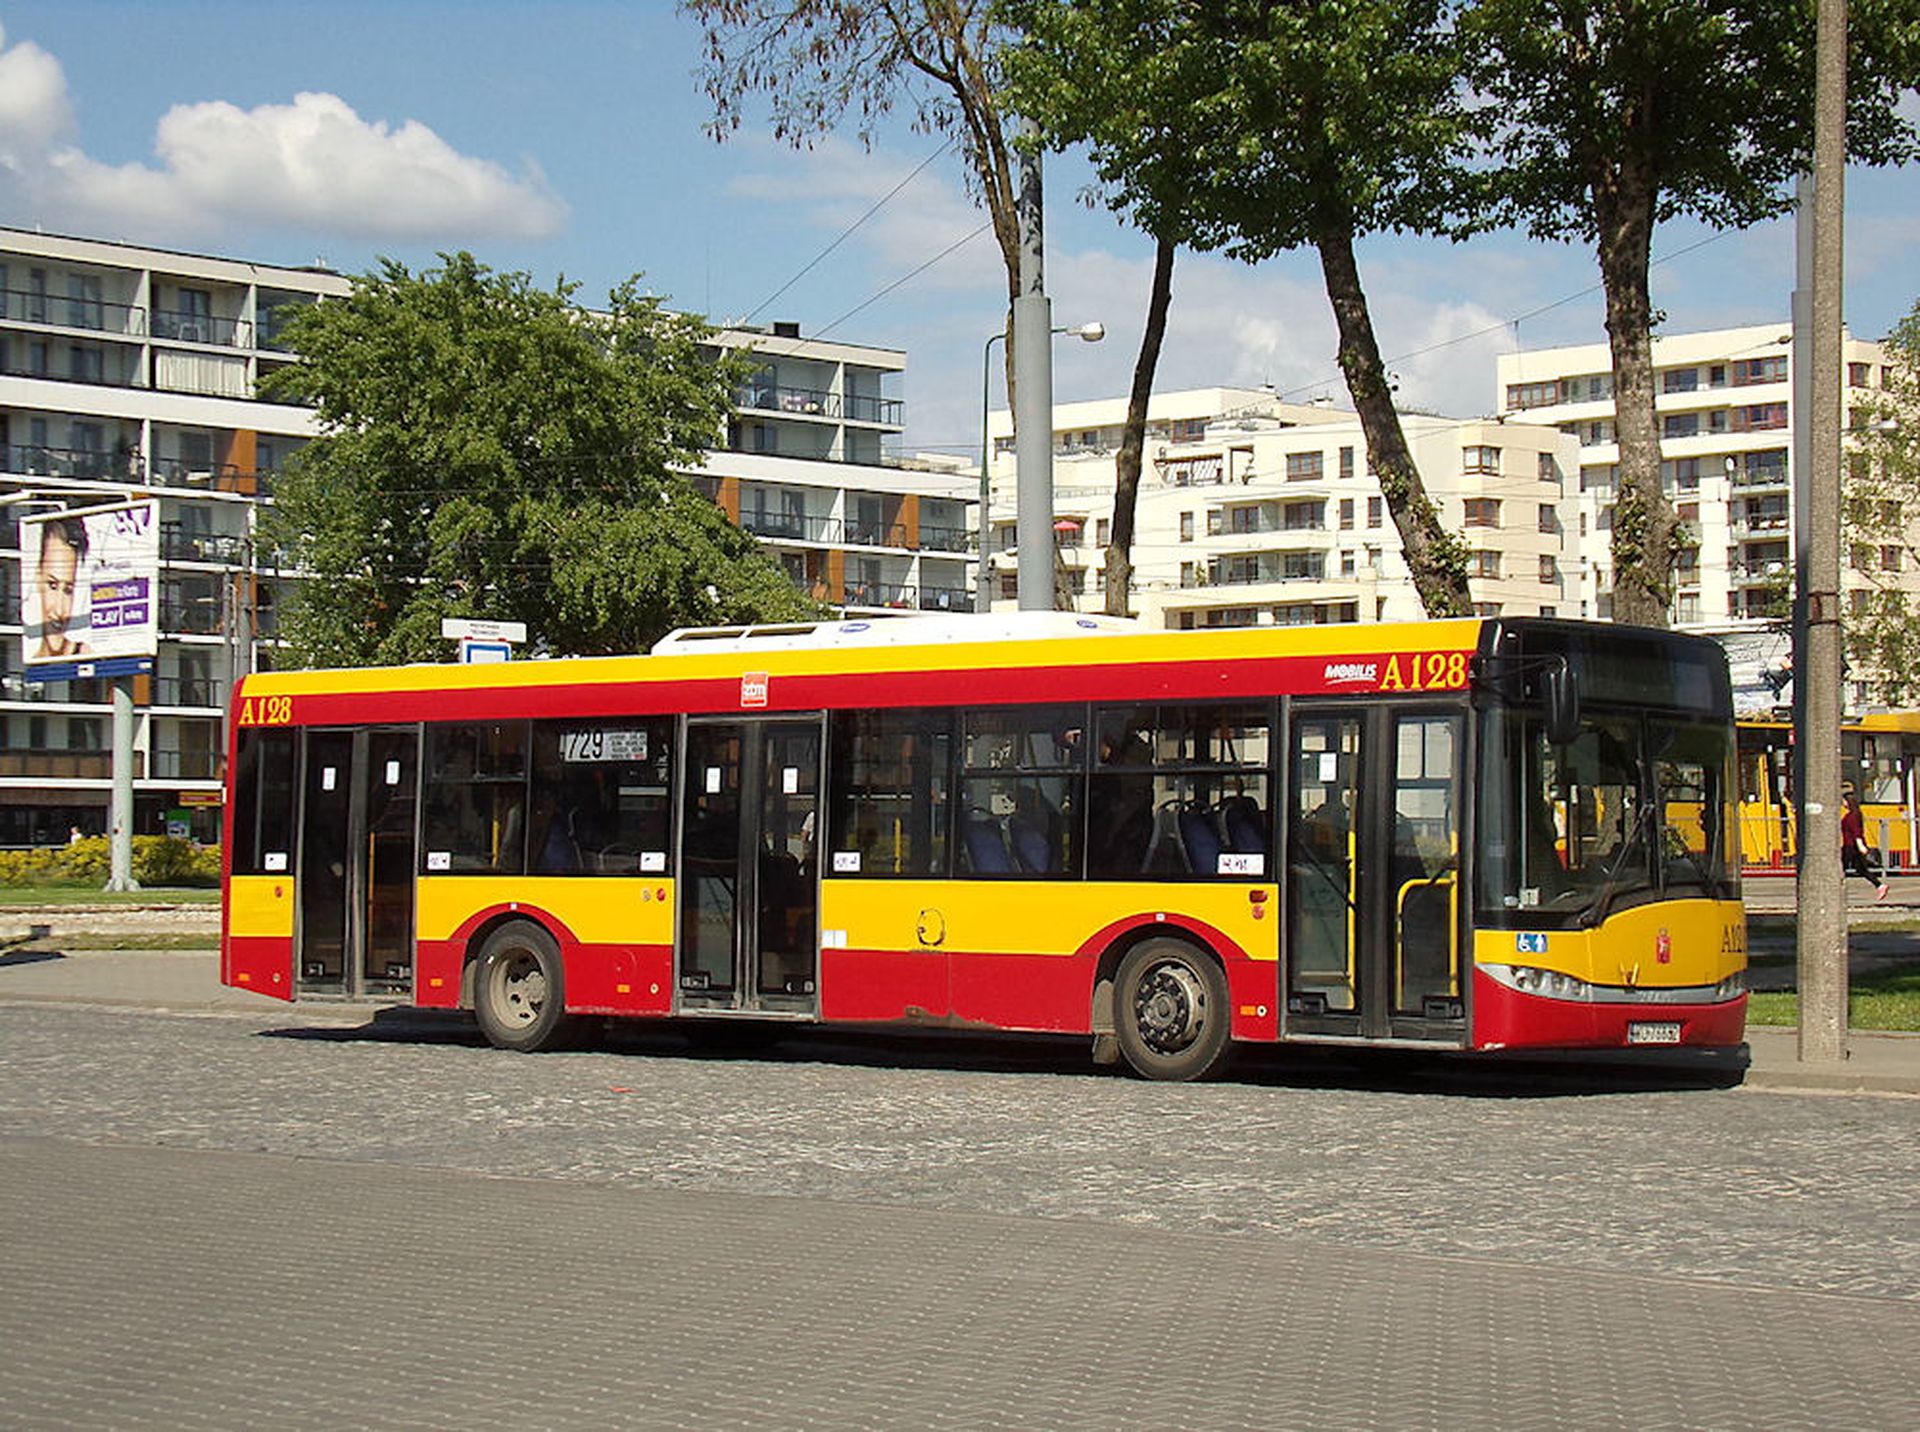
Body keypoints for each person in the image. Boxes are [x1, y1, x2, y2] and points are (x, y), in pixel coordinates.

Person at [30, 516, 90, 659]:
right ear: (38, 577)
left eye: (68, 590)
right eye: (52, 585)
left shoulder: (87, 655)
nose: (59, 611)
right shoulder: (30, 660)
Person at [1841, 785, 1890, 901]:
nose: (1842, 803)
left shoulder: (1852, 816)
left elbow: (1856, 831)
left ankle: (1834, 891)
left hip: (1851, 846)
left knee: (1840, 867)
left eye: (1844, 800)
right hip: (1852, 845)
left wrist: (1860, 845)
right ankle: (1880, 886)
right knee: (1861, 869)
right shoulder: (1855, 814)